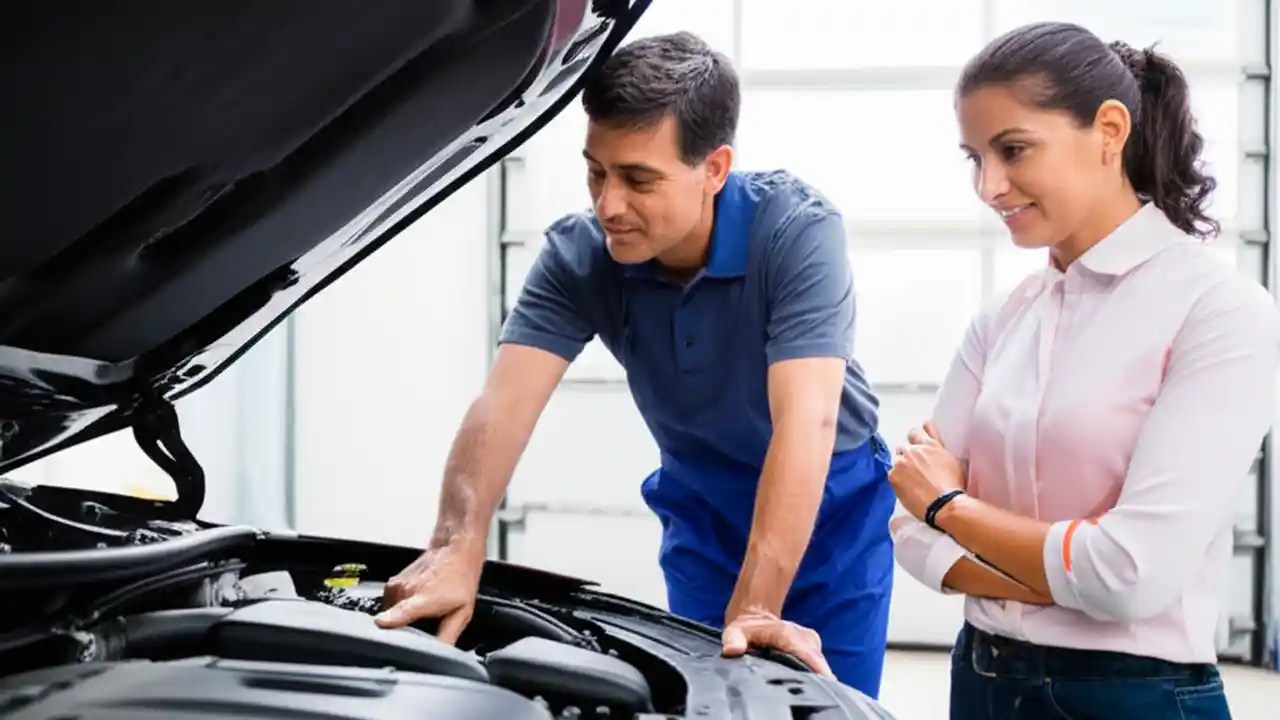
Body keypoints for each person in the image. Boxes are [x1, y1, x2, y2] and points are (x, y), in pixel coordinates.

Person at [373, 31, 897, 696]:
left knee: (825, 703)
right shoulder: (579, 256)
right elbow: (502, 404)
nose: (607, 205)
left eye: (638, 179)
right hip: (702, 507)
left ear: (714, 168)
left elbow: (809, 423)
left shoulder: (796, 232)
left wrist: (760, 605)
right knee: (711, 697)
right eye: (596, 171)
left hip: (830, 506)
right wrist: (456, 544)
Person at [883, 21, 1280, 719]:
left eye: (1012, 150)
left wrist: (953, 507)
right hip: (980, 679)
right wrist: (1060, 575)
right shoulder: (1003, 318)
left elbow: (1131, 575)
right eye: (973, 157)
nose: (989, 185)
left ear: (1109, 129)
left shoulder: (1220, 312)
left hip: (1134, 695)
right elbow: (905, 528)